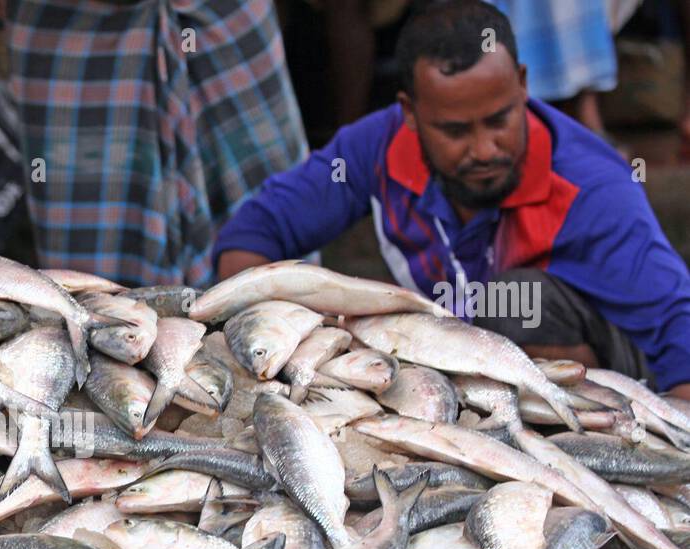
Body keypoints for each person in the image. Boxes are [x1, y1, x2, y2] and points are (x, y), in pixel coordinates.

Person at [214, 0, 690, 398]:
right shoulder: (377, 146)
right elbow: (253, 235)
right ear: (411, 113)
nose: (484, 149)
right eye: (456, 131)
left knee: (511, 303)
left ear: (523, 84)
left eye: (499, 120)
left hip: (609, 381)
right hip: (452, 369)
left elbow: (680, 333)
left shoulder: (594, 190)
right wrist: (280, 340)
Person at [8, 0, 308, 288]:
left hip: (221, 16)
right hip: (69, 28)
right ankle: (113, 332)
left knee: (266, 239)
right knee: (96, 290)